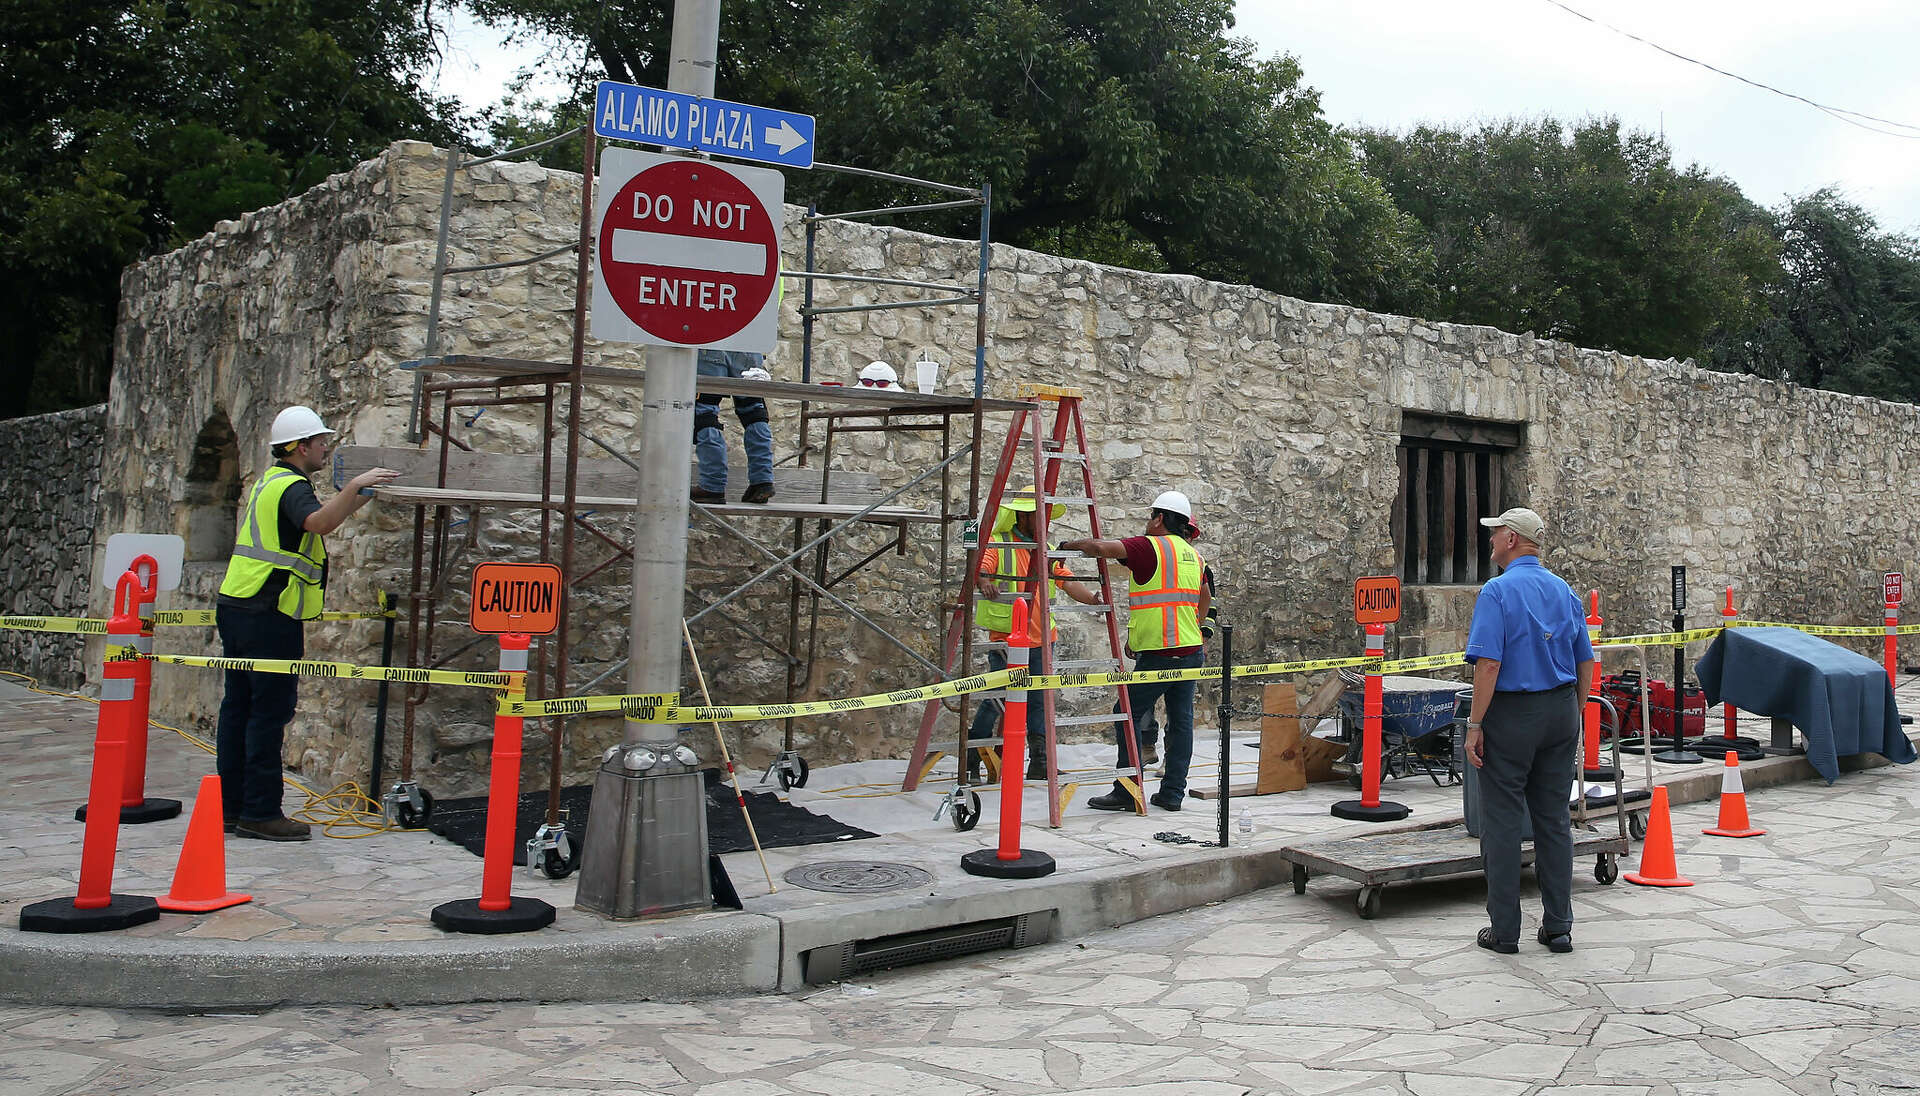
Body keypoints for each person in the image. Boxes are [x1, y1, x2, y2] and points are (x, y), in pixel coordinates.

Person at [215, 406, 398, 841]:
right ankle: (260, 812)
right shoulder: (294, 486)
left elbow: (318, 522)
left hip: (238, 605)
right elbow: (316, 522)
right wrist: (355, 484)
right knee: (267, 713)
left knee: (237, 709)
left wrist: (353, 498)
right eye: (319, 442)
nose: (324, 448)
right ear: (300, 447)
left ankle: (232, 808)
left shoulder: (270, 480)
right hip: (268, 613)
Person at [1462, 506, 1595, 954]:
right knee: (1553, 818)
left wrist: (1475, 723)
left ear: (1513, 540)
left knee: (1501, 821)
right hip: (1560, 708)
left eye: (1496, 533)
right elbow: (1585, 660)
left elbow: (1489, 664)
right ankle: (1559, 926)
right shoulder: (1563, 590)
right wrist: (1572, 713)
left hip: (1512, 713)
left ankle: (1504, 931)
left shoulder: (1497, 591)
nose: (1492, 540)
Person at [1062, 491, 1210, 812]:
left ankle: (1127, 790)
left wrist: (1069, 547)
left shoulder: (1149, 546)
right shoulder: (1193, 556)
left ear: (1159, 519)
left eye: (1150, 516)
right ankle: (1172, 794)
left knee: (1126, 713)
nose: (1146, 521)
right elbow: (1204, 595)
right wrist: (1196, 628)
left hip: (1160, 653)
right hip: (1189, 650)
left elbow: (1102, 548)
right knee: (1181, 723)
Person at [969, 487, 1101, 778]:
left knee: (1040, 702)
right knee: (997, 699)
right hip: (1008, 640)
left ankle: (1040, 762)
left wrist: (1093, 598)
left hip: (1043, 640)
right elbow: (982, 569)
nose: (1044, 521)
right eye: (1038, 515)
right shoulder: (1001, 543)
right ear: (1023, 515)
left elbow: (1066, 581)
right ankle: (972, 756)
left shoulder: (1046, 549)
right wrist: (984, 582)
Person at [692, 350, 775, 504]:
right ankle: (762, 481)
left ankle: (712, 486)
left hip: (712, 345)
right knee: (754, 412)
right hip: (749, 348)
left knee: (705, 414)